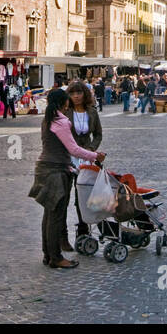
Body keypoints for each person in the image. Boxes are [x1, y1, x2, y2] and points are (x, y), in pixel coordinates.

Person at [28, 87, 105, 269]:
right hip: (55, 171)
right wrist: (95, 156)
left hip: (46, 168)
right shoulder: (61, 121)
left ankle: (48, 254)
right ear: (64, 103)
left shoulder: (48, 119)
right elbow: (73, 149)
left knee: (49, 215)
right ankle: (55, 257)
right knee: (56, 216)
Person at [66, 81, 103, 242]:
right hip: (69, 156)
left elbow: (98, 134)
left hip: (87, 156)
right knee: (70, 191)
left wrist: (92, 149)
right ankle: (69, 231)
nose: (76, 96)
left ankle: (83, 226)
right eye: (73, 93)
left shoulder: (92, 112)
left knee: (83, 192)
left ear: (84, 94)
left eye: (79, 93)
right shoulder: (66, 112)